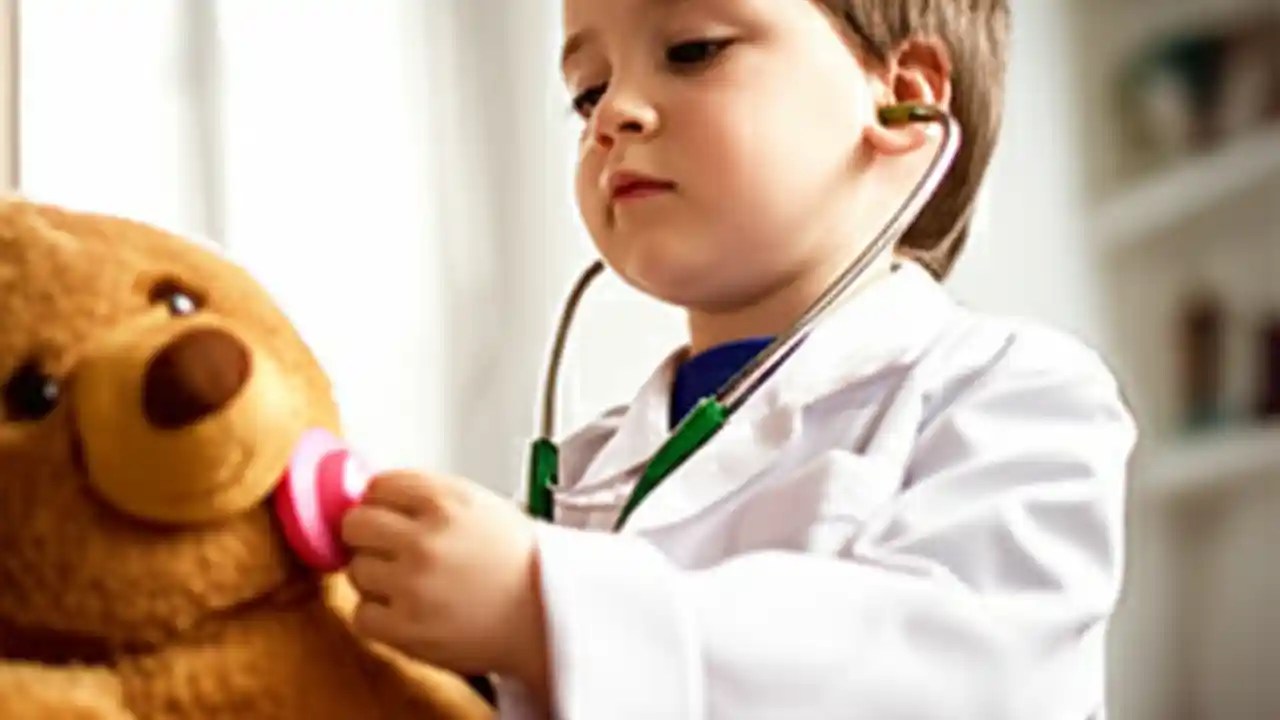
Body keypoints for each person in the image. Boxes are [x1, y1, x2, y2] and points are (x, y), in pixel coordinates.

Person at [338, 1, 1138, 718]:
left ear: (905, 96)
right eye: (587, 90)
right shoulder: (586, 473)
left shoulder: (1013, 393)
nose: (612, 113)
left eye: (692, 50)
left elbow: (966, 680)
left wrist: (543, 611)